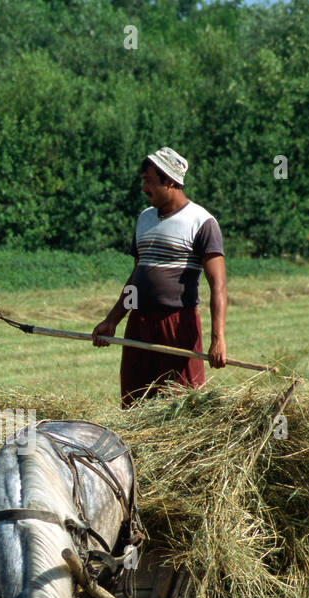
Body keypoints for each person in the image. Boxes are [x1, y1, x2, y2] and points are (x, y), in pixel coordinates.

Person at [91, 147, 228, 407]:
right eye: (143, 181)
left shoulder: (201, 221)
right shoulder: (144, 219)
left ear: (171, 181)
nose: (144, 188)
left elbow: (218, 285)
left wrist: (217, 339)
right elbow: (136, 278)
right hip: (139, 323)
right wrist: (112, 320)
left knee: (181, 406)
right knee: (135, 402)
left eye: (149, 181)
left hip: (177, 325)